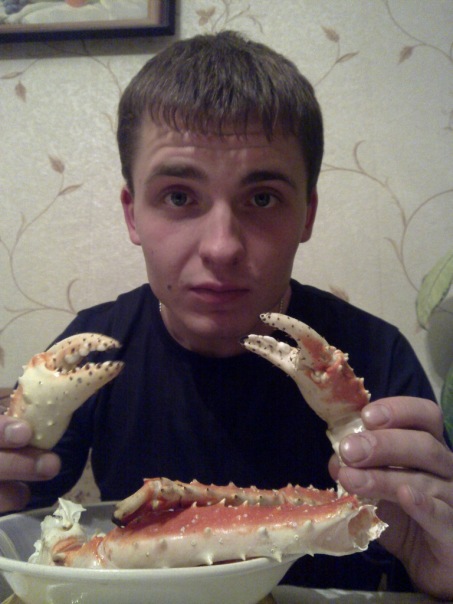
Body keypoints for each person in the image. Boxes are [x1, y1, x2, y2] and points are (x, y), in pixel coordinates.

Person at [1, 31, 452, 598]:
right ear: (133, 215)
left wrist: (439, 570)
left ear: (306, 215)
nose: (221, 247)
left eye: (262, 198)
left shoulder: (376, 359)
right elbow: (23, 521)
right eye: (179, 196)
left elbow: (428, 548)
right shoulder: (95, 351)